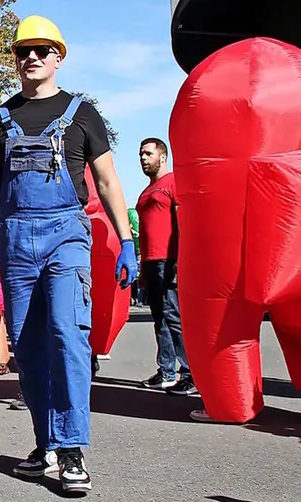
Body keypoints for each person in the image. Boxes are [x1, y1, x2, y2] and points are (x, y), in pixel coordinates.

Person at [0, 15, 137, 493]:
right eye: (24, 51)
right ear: (16, 59)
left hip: (67, 234)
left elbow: (106, 180)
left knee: (67, 334)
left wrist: (127, 240)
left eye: (42, 50)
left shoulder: (82, 114)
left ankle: (71, 449)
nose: (33, 58)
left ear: (58, 56)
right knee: (27, 345)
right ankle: (45, 443)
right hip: (16, 241)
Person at [135, 138, 195, 395]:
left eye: (148, 153)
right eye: (141, 154)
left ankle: (191, 374)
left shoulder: (173, 183)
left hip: (168, 260)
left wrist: (182, 260)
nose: (143, 158)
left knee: (174, 317)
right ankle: (167, 371)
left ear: (163, 156)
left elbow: (183, 223)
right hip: (149, 262)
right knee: (159, 318)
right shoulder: (146, 190)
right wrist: (141, 268)